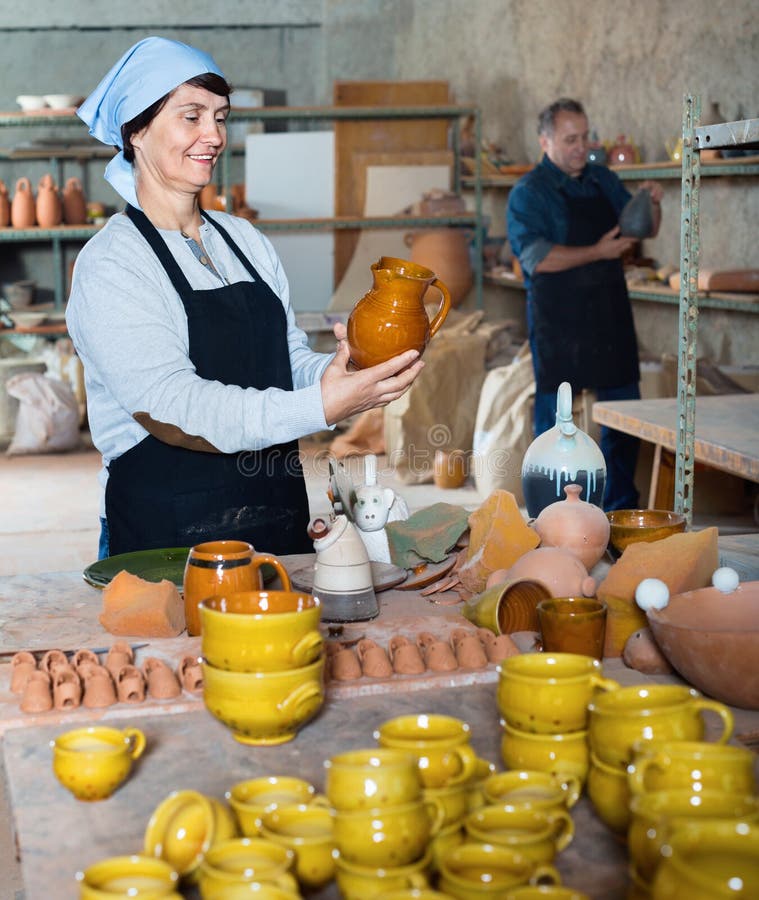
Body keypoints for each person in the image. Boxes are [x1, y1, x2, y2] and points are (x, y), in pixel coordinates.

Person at [67, 37, 424, 559]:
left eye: (220, 116)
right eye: (191, 116)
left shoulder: (244, 240)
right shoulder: (113, 264)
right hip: (167, 545)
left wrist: (343, 372)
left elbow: (285, 358)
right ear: (136, 131)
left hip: (276, 522)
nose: (213, 135)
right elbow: (174, 407)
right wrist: (318, 406)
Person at [507, 97, 663, 511]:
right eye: (570, 139)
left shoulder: (602, 179)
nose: (582, 146)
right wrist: (598, 251)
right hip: (559, 319)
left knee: (624, 417)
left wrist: (652, 202)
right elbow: (537, 259)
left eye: (585, 136)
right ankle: (552, 512)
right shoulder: (528, 193)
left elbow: (643, 228)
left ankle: (619, 510)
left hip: (608, 312)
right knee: (555, 423)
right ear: (545, 141)